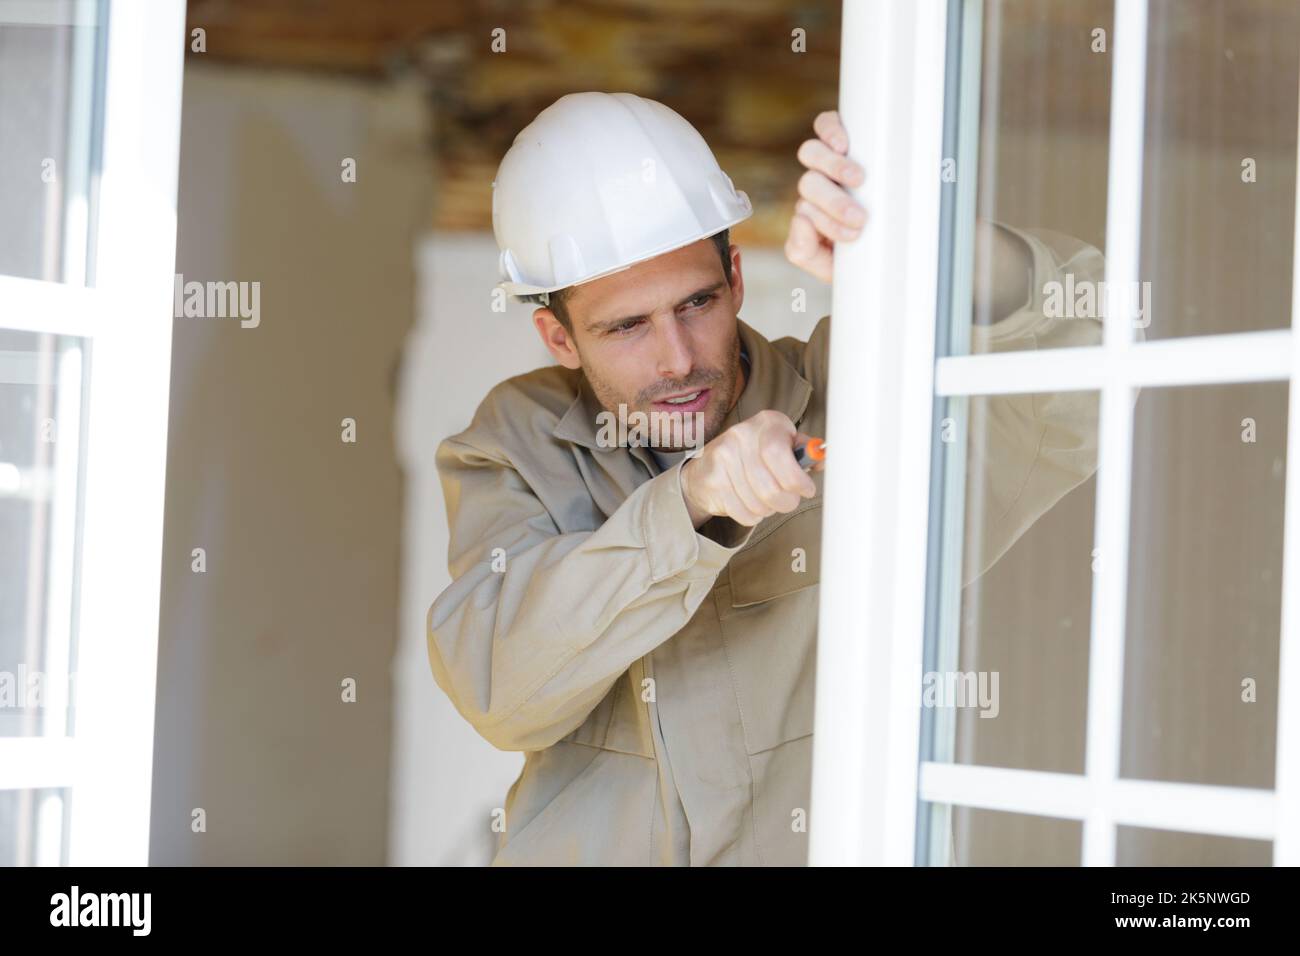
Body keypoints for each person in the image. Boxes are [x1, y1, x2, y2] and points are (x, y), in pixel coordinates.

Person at [427, 92, 1103, 865]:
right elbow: (502, 692)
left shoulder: (857, 391)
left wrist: (942, 247)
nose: (677, 357)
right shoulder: (516, 445)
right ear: (559, 337)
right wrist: (691, 506)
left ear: (737, 278)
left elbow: (1088, 363)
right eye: (626, 326)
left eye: (697, 302)